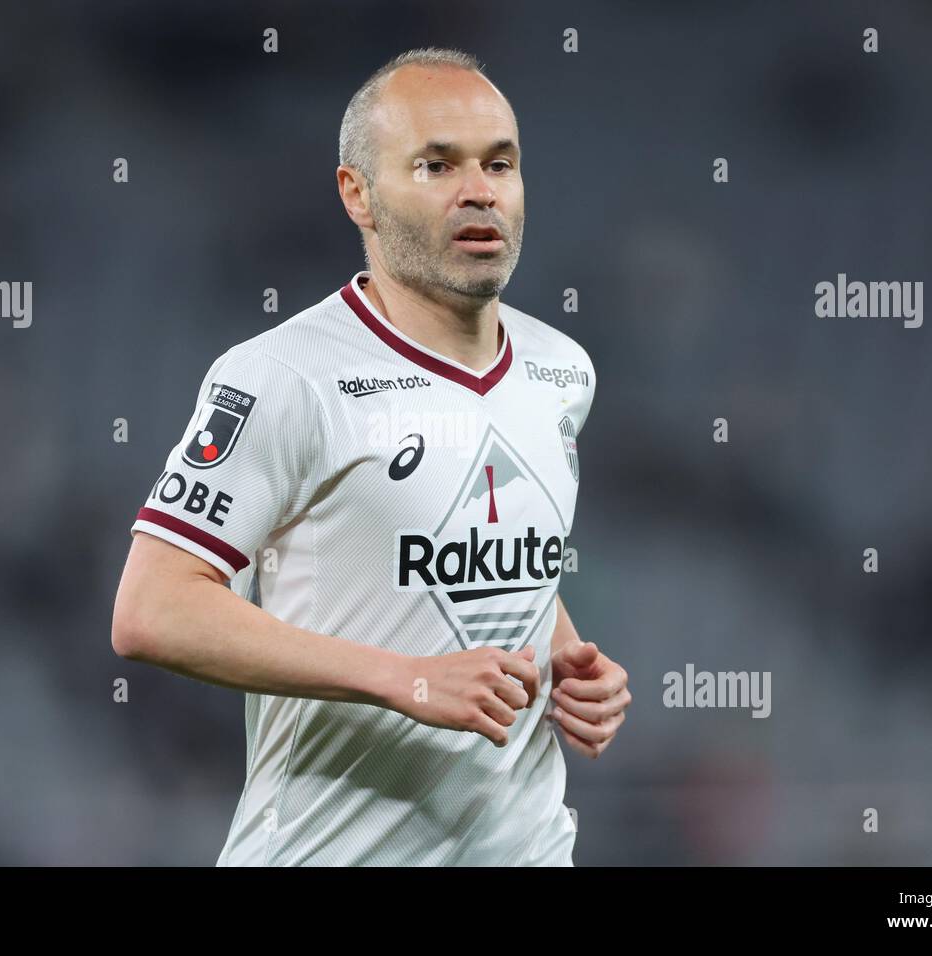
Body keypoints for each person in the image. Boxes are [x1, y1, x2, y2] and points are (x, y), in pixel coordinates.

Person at [112, 47, 630, 866]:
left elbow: (491, 558)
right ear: (359, 193)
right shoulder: (284, 377)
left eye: (500, 162)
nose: (479, 190)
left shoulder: (560, 370)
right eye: (435, 165)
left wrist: (564, 654)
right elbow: (153, 610)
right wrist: (406, 679)